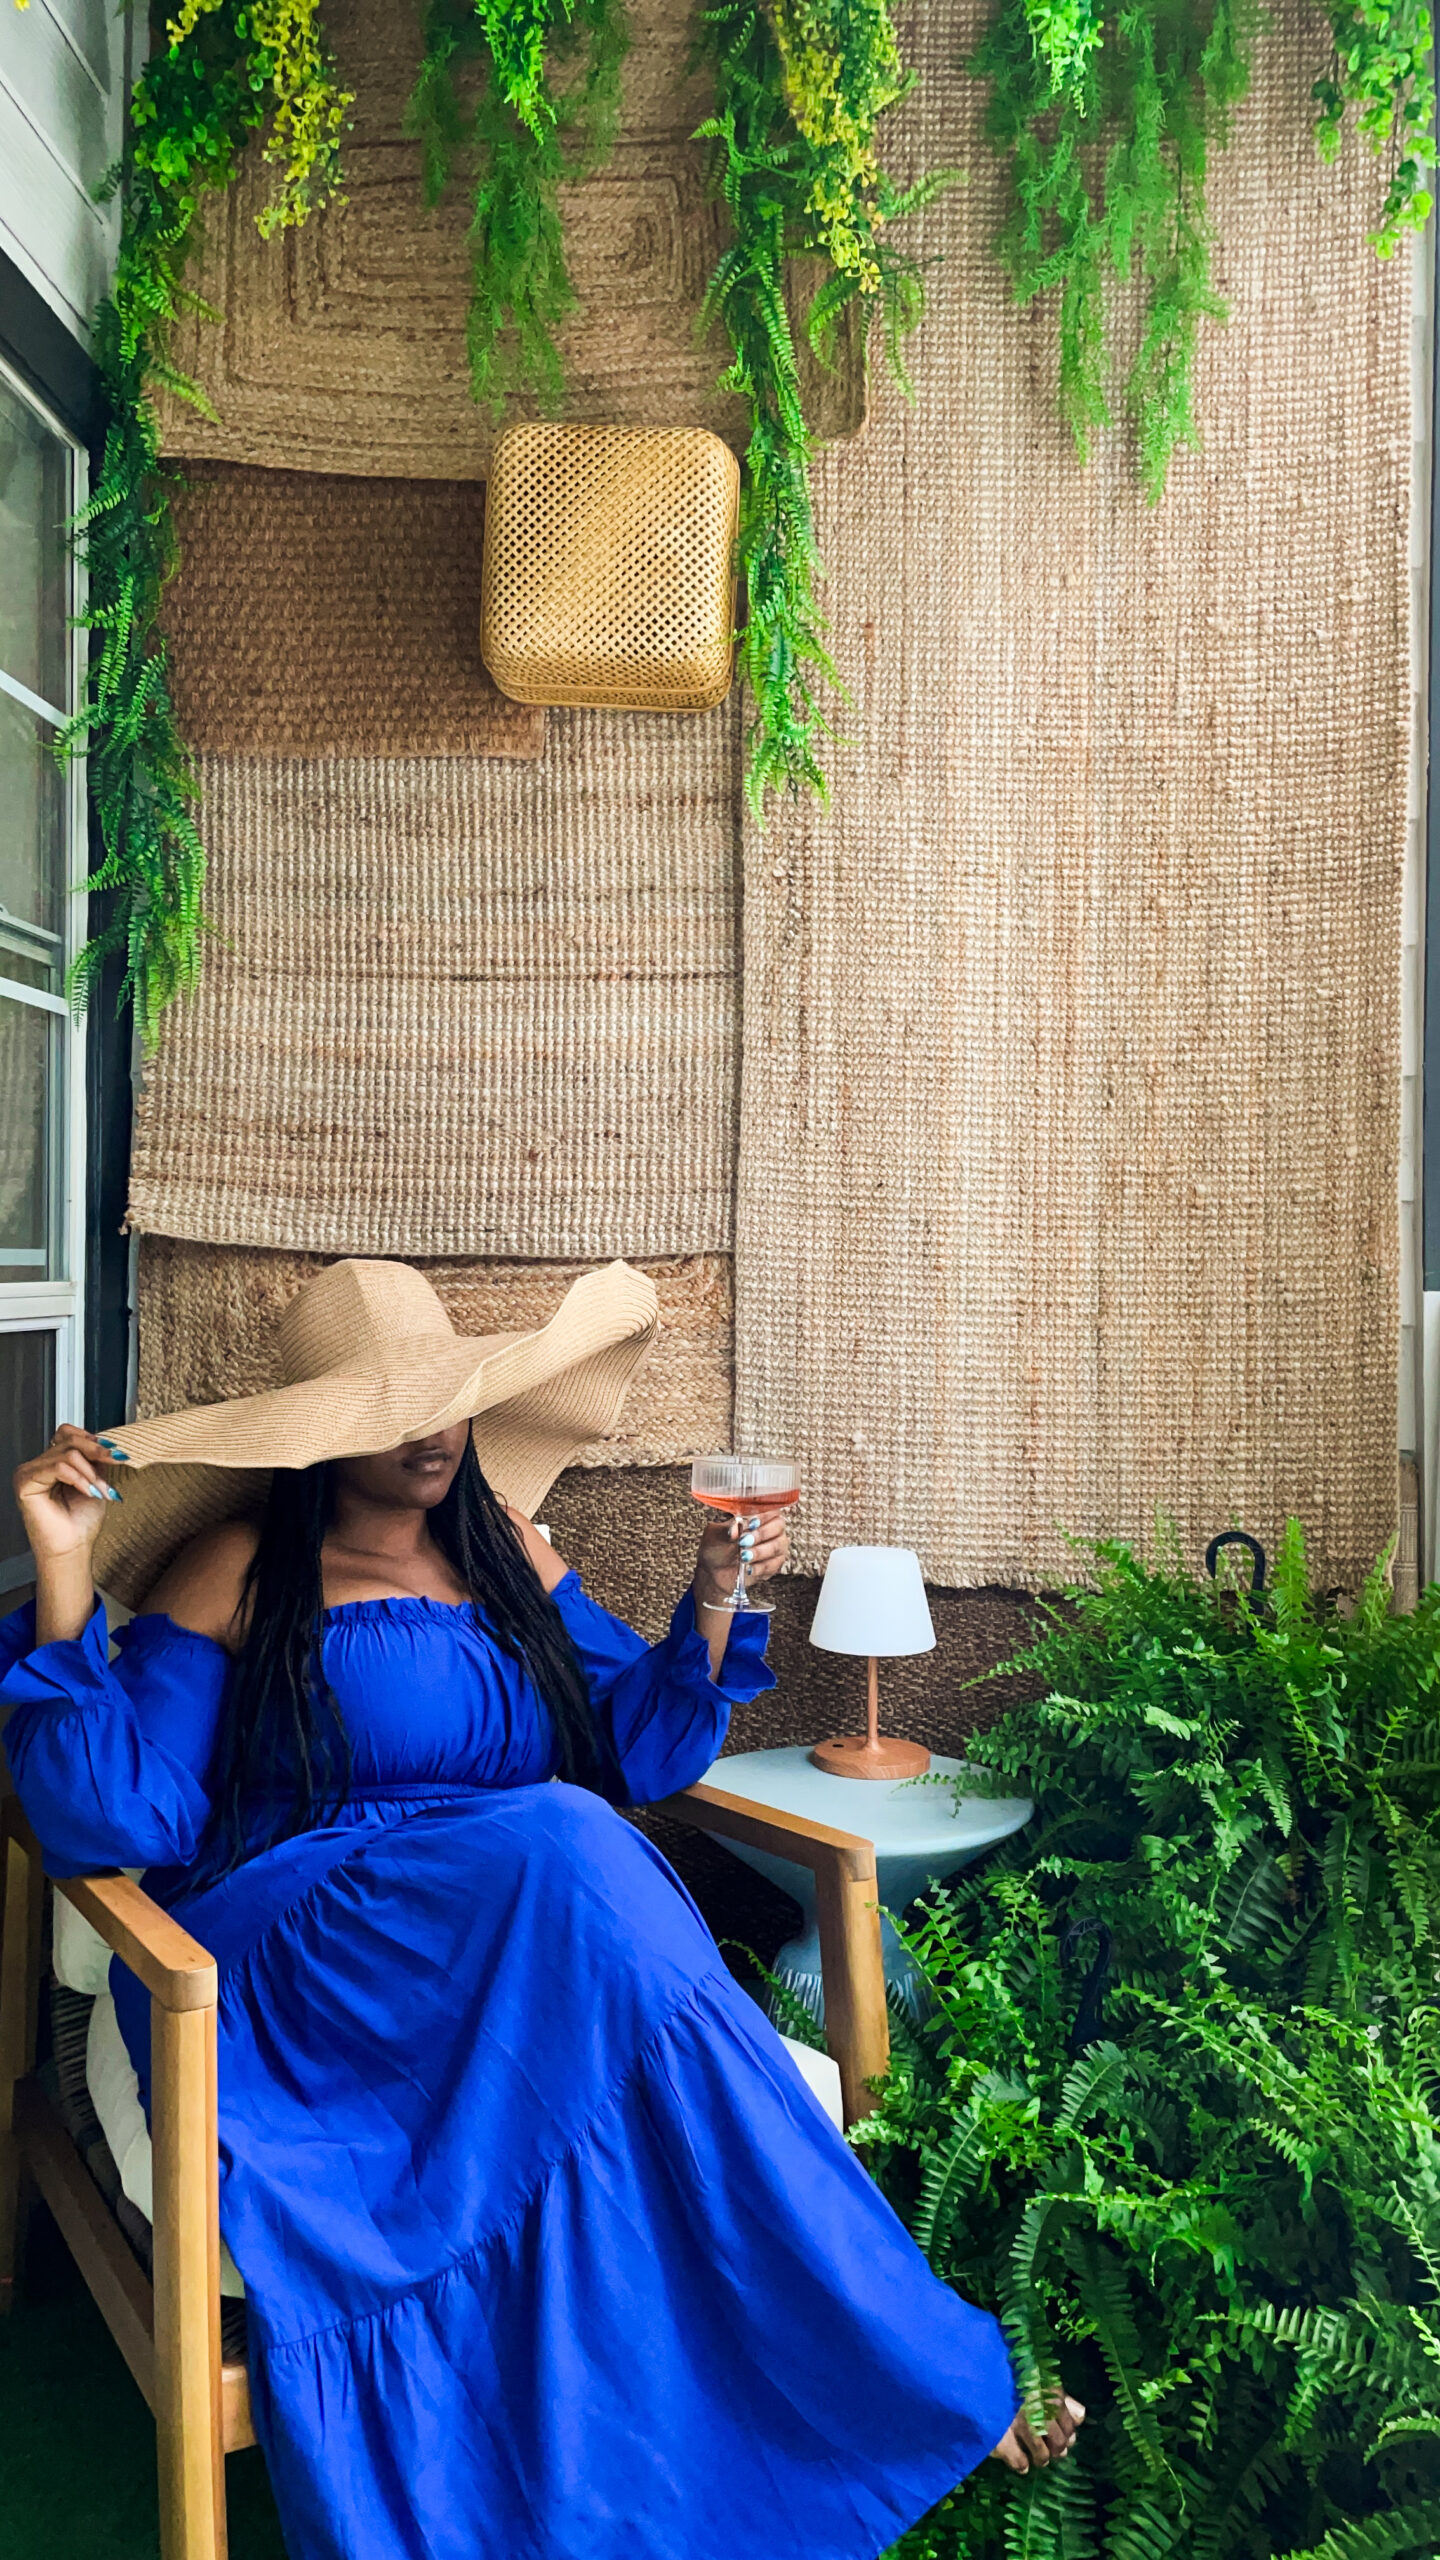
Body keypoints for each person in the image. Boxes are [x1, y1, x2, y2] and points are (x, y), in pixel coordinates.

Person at [1, 1258, 1081, 2560]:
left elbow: (639, 1744)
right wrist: (64, 1574)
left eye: (448, 1399)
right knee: (573, 1841)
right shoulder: (239, 1564)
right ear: (322, 1436)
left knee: (594, 1870)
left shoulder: (511, 1552)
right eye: (393, 1411)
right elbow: (116, 1818)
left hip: (516, 1924)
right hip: (321, 1948)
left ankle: (901, 2380)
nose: (433, 1433)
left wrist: (718, 1593)